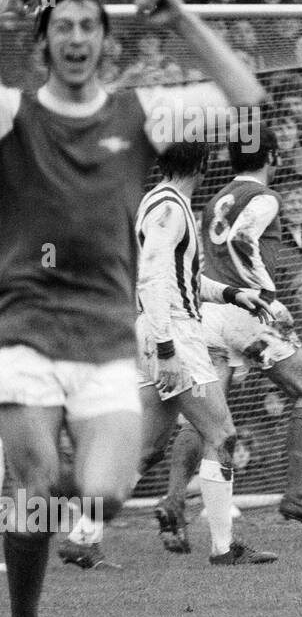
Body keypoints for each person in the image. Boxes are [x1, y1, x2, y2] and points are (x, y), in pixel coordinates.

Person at [0, 0, 265, 617]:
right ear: (45, 42)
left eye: (88, 25)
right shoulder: (15, 114)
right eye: (63, 26)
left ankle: (48, 512)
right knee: (35, 480)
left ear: (105, 40)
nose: (76, 37)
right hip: (25, 332)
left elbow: (245, 97)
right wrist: (1, 8)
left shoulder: (139, 114)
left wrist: (181, 18)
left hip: (106, 341)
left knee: (106, 491)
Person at [59, 140, 278, 568]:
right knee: (222, 435)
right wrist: (166, 347)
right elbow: (152, 280)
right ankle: (224, 548)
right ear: (203, 164)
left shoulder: (159, 202)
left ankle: (83, 538)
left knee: (146, 449)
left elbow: (182, 278)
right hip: (173, 334)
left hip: (157, 331)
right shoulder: (170, 208)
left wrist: (233, 294)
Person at [188, 123, 302, 535]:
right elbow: (242, 238)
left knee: (209, 419)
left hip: (211, 312)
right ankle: (296, 496)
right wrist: (264, 294)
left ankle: (174, 500)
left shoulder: (214, 200)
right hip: (248, 313)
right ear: (273, 157)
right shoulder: (265, 197)